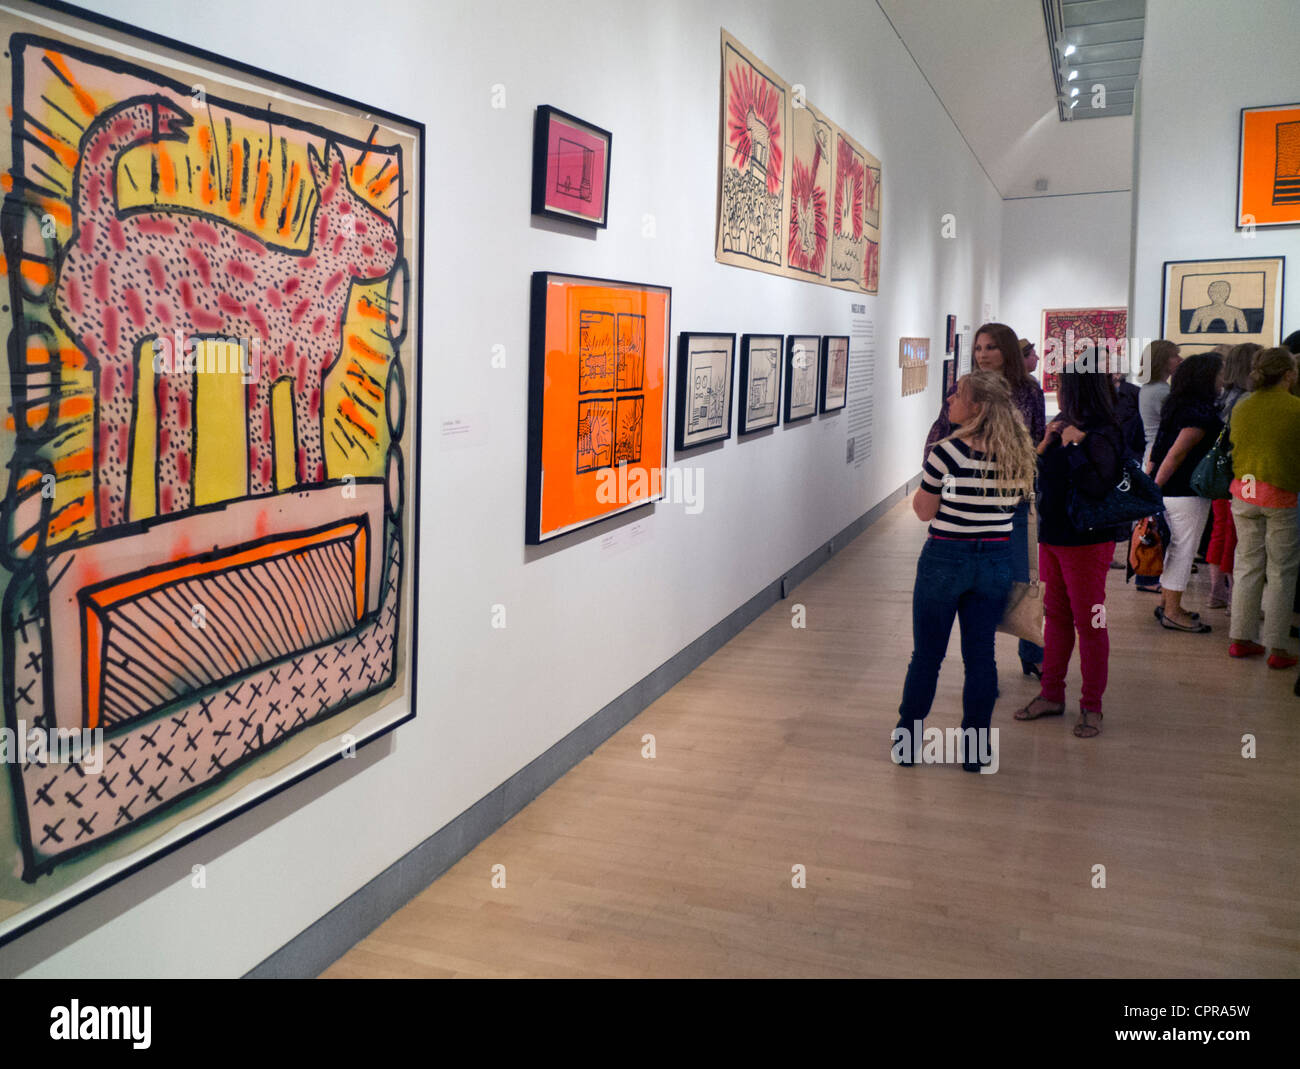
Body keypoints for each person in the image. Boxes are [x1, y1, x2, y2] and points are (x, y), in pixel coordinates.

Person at [895, 371, 1037, 771]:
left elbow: (924, 511)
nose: (951, 400)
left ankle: (907, 745)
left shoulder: (947, 452)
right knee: (981, 659)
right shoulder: (1018, 454)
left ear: (977, 407)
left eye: (959, 395)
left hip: (945, 559)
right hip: (994, 561)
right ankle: (976, 753)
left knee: (927, 657)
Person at [925, 323, 1046, 678]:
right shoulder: (963, 388)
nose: (983, 355)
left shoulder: (1027, 390)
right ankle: (979, 658)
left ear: (1007, 350)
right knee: (974, 576)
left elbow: (1033, 441)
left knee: (1022, 576)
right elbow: (943, 430)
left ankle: (1031, 648)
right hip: (965, 495)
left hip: (1012, 496)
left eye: (991, 347)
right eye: (978, 348)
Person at [1014, 355, 1125, 738]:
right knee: (1056, 619)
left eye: (1062, 384)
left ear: (1079, 389)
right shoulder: (1060, 424)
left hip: (1088, 541)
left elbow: (1099, 486)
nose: (1057, 391)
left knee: (1091, 623)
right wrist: (1046, 446)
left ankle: (1091, 706)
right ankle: (1051, 694)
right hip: (1054, 536)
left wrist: (1076, 447)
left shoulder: (1104, 431)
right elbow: (1039, 477)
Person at [1226, 348, 1300, 668]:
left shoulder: (1242, 406)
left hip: (1245, 490)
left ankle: (1241, 639)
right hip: (1280, 492)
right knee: (1281, 571)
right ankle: (1277, 648)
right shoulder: (1295, 408)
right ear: (1287, 375)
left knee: (1247, 565)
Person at [1147, 352, 1225, 632]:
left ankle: (1169, 604)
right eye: (1219, 374)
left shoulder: (1175, 406)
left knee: (1174, 549)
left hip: (1170, 490)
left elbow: (1159, 449)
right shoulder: (1199, 413)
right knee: (1183, 552)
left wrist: (1151, 485)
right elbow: (1176, 455)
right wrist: (1153, 489)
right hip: (1185, 492)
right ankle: (1172, 611)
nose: (1223, 379)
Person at [1204, 343, 1260, 607]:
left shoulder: (1221, 396)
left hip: (1221, 471)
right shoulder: (1247, 399)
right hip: (1239, 472)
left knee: (1220, 529)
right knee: (1234, 532)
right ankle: (1234, 596)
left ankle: (1217, 591)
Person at [1137, 340, 1181, 465]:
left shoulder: (1151, 387)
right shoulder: (1160, 391)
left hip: (1154, 452)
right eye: (1174, 356)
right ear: (1161, 360)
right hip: (1160, 454)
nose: (1180, 359)